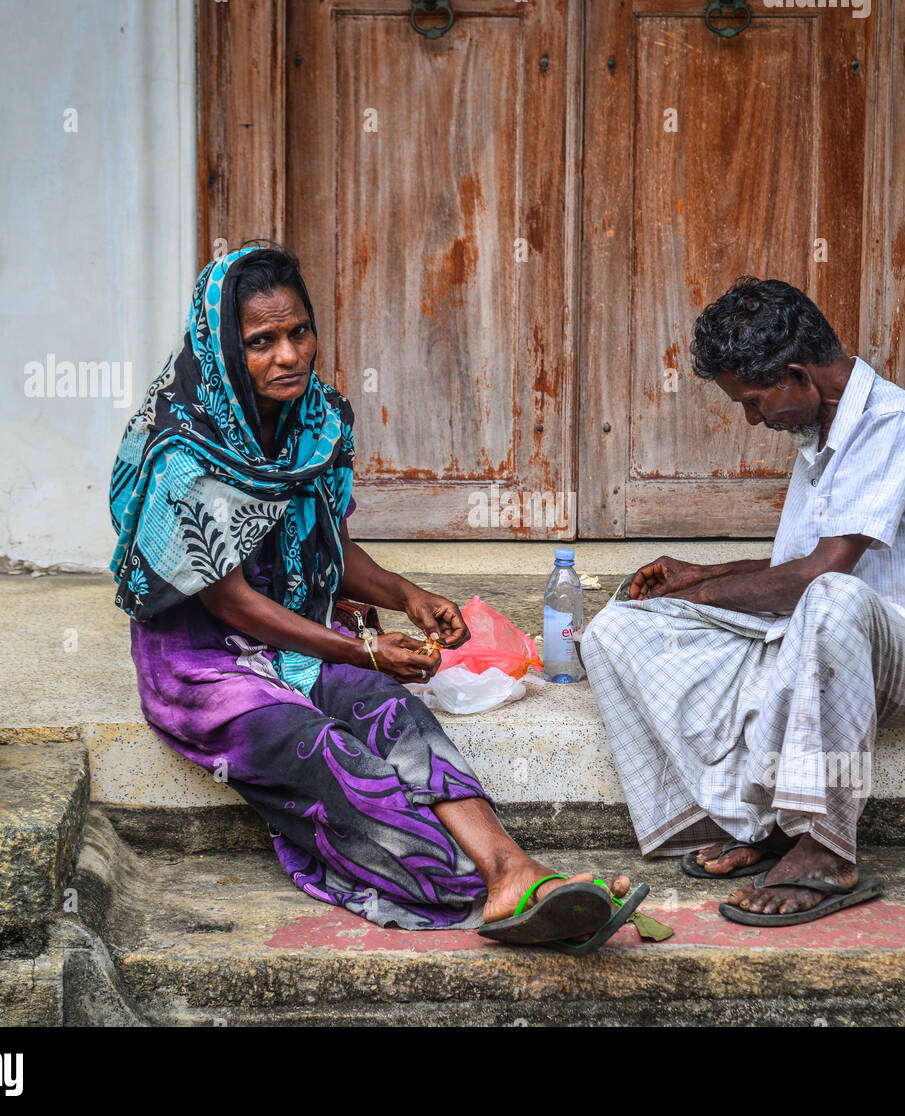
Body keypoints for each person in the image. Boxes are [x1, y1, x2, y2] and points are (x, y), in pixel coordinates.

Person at [108, 243, 639, 942]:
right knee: (328, 753)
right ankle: (487, 893)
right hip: (207, 667)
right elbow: (230, 603)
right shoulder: (184, 448)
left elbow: (326, 539)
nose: (289, 355)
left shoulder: (315, 421)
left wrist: (408, 593)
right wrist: (362, 648)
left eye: (299, 331)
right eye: (261, 342)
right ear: (226, 352)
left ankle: (513, 868)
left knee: (393, 712)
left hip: (295, 639)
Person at [580, 277, 905, 926]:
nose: (753, 419)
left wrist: (705, 589)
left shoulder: (896, 424)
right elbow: (798, 572)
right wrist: (698, 575)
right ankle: (759, 820)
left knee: (832, 600)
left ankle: (825, 847)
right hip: (812, 632)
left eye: (756, 402)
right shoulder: (819, 431)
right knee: (619, 629)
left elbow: (820, 579)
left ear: (798, 374)